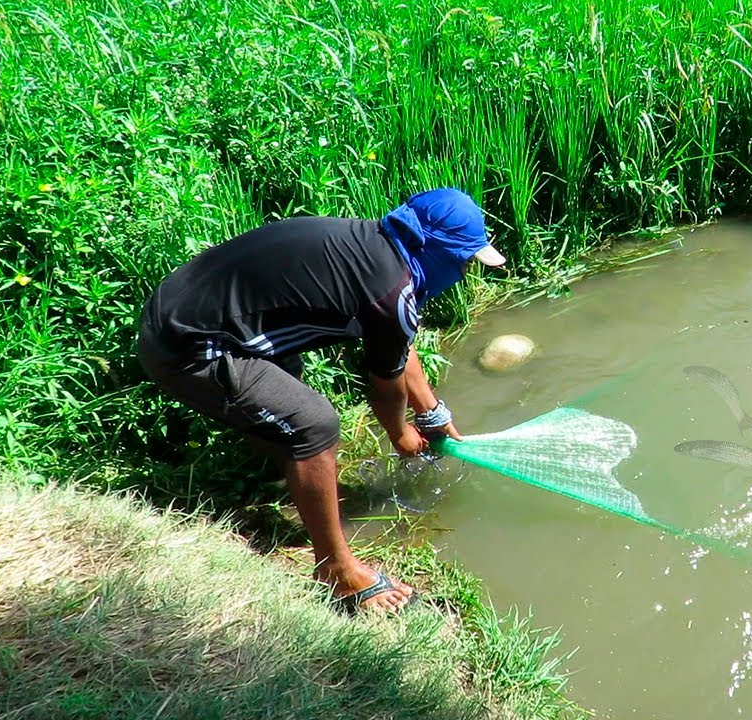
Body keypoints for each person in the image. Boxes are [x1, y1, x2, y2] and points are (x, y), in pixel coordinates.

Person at [136, 187, 505, 614]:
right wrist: (402, 435)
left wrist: (432, 413)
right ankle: (337, 570)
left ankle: (279, 473)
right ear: (433, 250)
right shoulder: (390, 293)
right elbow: (385, 386)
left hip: (173, 309)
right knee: (316, 424)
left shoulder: (371, 246)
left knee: (286, 386)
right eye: (461, 260)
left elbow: (400, 347)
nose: (462, 273)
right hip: (185, 346)